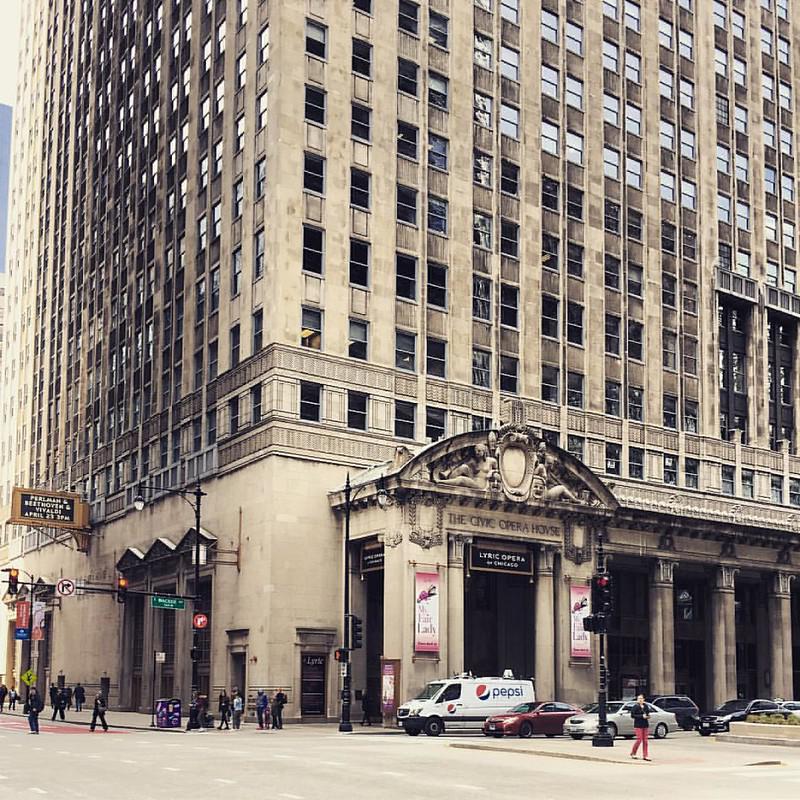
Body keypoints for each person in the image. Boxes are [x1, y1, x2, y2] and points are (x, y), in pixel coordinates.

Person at [630, 694, 651, 761]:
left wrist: (648, 716)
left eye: (641, 698)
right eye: (639, 698)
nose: (640, 700)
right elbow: (632, 715)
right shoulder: (635, 707)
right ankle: (633, 752)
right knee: (639, 739)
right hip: (638, 725)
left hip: (645, 724)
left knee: (645, 741)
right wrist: (641, 716)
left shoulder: (646, 706)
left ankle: (645, 755)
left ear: (644, 699)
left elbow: (648, 713)